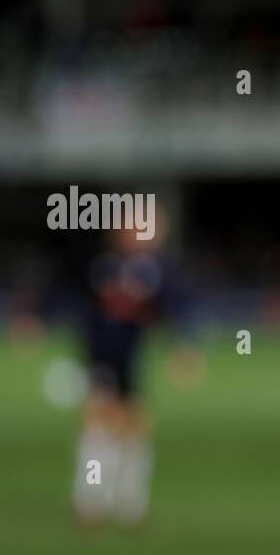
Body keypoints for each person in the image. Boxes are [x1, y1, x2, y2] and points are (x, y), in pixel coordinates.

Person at [72, 224, 196, 526]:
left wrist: (181, 348)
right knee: (98, 427)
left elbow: (176, 309)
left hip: (131, 360)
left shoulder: (155, 271)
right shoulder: (102, 267)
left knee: (134, 429)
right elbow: (84, 312)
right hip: (102, 357)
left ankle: (129, 503)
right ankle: (91, 500)